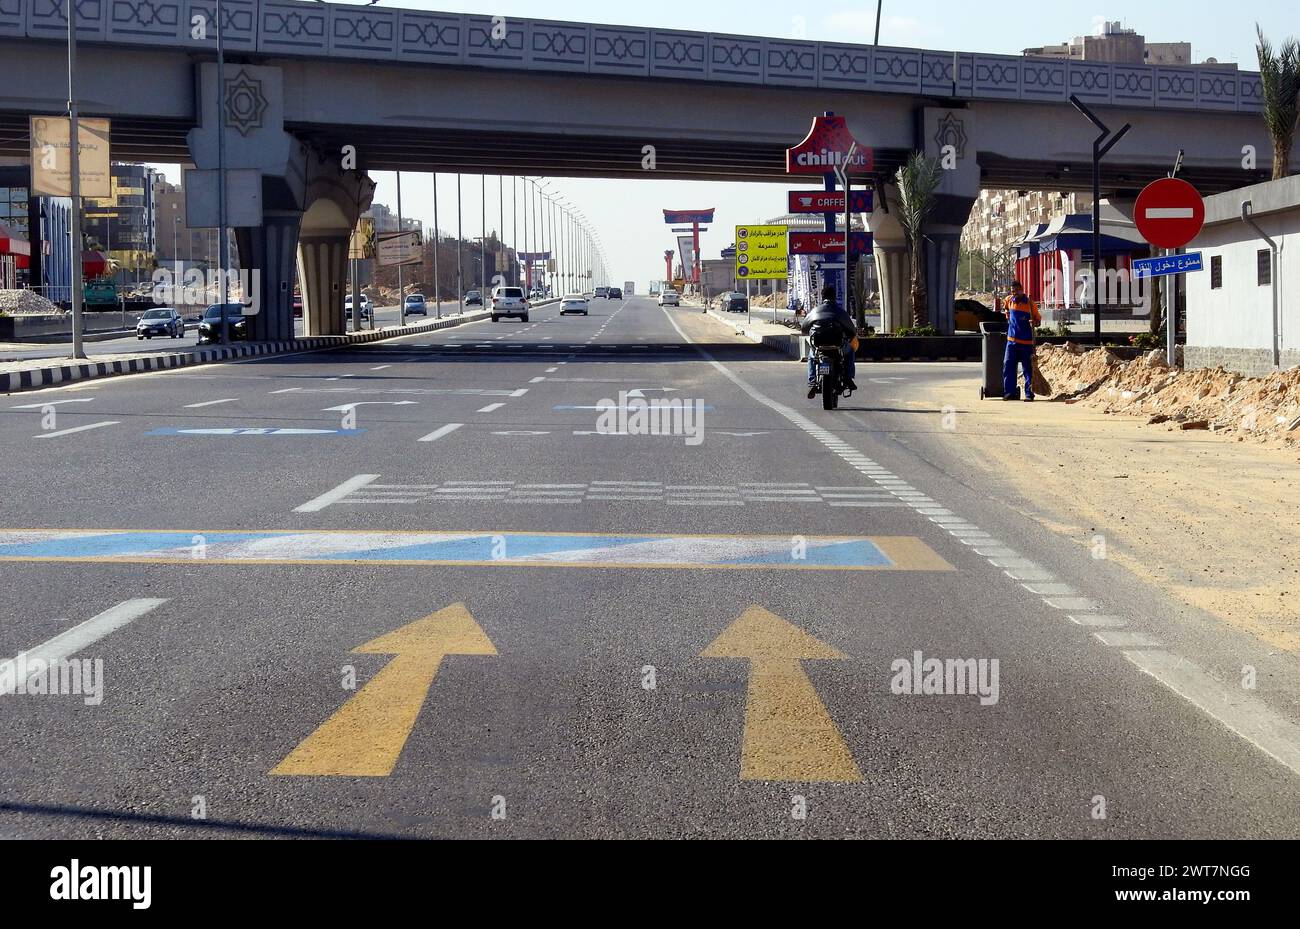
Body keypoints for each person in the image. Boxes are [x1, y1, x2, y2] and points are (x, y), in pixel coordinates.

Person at [800, 284, 857, 399]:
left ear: (822, 297)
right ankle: (848, 378)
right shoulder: (840, 311)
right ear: (835, 297)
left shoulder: (815, 311)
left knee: (811, 357)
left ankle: (812, 382)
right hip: (837, 345)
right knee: (850, 351)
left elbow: (804, 328)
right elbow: (851, 330)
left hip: (818, 346)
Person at [1002, 280, 1041, 401]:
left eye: (1016, 291)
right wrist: (1007, 313)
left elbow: (1038, 321)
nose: (1014, 294)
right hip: (1012, 341)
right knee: (1008, 365)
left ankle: (1029, 394)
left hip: (1026, 343)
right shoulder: (1009, 300)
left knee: (1028, 369)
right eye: (1012, 291)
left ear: (1021, 290)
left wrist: (1034, 322)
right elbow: (1005, 307)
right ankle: (1010, 392)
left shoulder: (1030, 304)